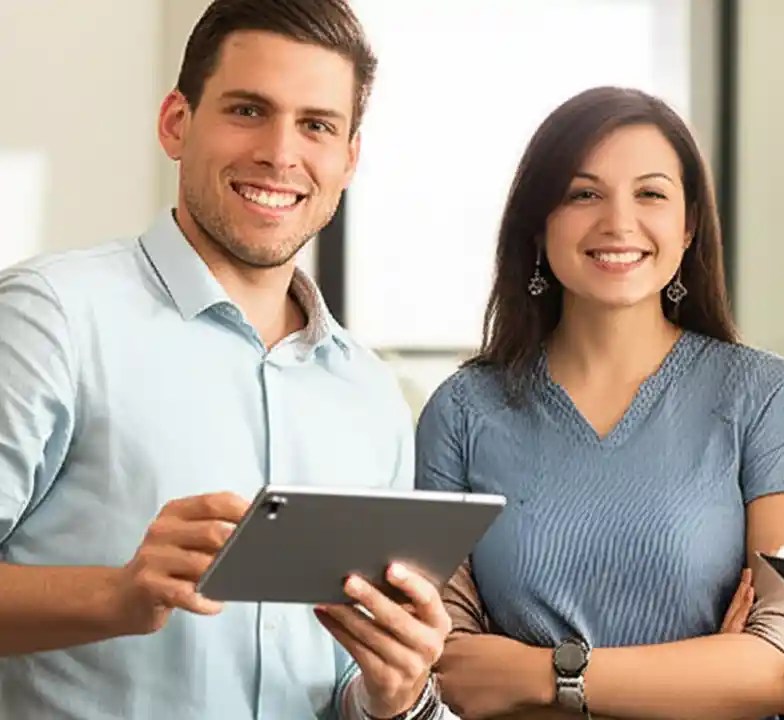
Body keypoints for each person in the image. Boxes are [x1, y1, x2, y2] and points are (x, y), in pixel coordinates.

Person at [0, 1, 456, 718]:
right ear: (176, 123)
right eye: (248, 110)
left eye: (316, 125)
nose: (280, 153)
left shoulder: (370, 393)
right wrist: (115, 596)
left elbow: (331, 682)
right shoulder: (50, 316)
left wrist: (390, 694)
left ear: (349, 158)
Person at [414, 85, 784, 719]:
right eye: (584, 194)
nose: (618, 222)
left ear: (688, 225)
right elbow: (446, 670)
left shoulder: (763, 396)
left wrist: (538, 671)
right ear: (538, 223)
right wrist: (699, 678)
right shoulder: (463, 411)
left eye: (651, 194)